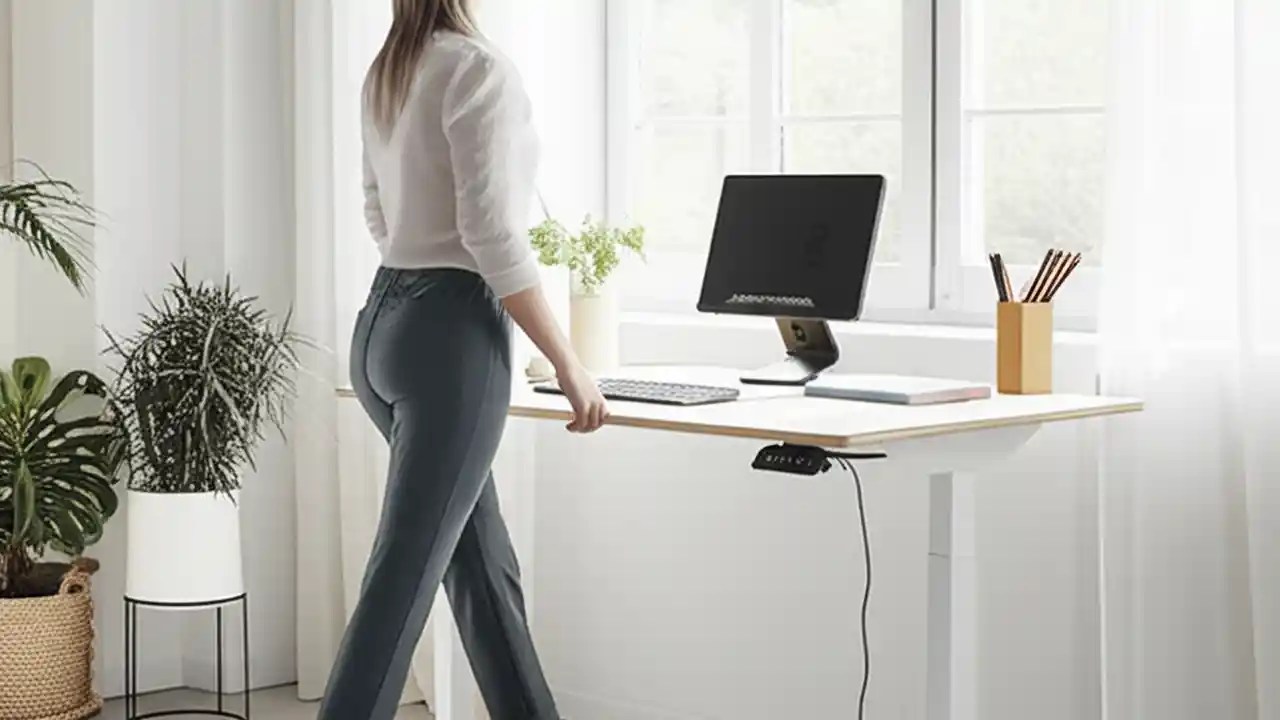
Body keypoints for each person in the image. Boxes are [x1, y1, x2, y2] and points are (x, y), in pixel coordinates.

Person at [318, 1, 608, 717]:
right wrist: (568, 360)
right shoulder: (478, 69)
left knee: (481, 564)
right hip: (449, 341)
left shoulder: (391, 69)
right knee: (403, 581)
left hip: (382, 327)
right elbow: (491, 234)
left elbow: (377, 212)